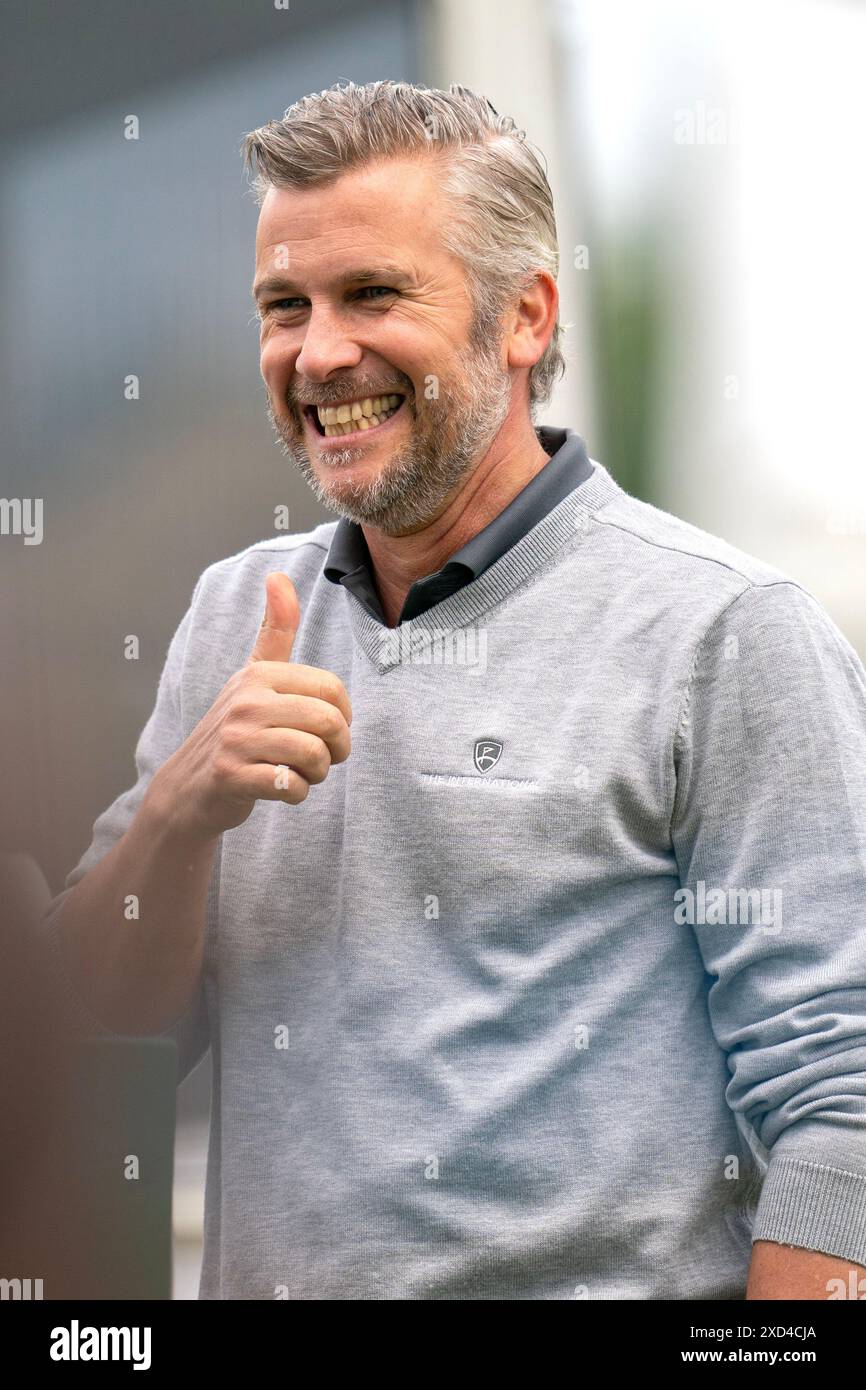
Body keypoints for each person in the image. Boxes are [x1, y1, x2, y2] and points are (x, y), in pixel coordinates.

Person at [40, 80, 866, 1300]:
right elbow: (97, 1037)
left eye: (371, 293)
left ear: (523, 316)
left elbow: (838, 1105)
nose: (318, 353)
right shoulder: (233, 615)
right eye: (284, 307)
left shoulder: (724, 631)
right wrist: (176, 814)